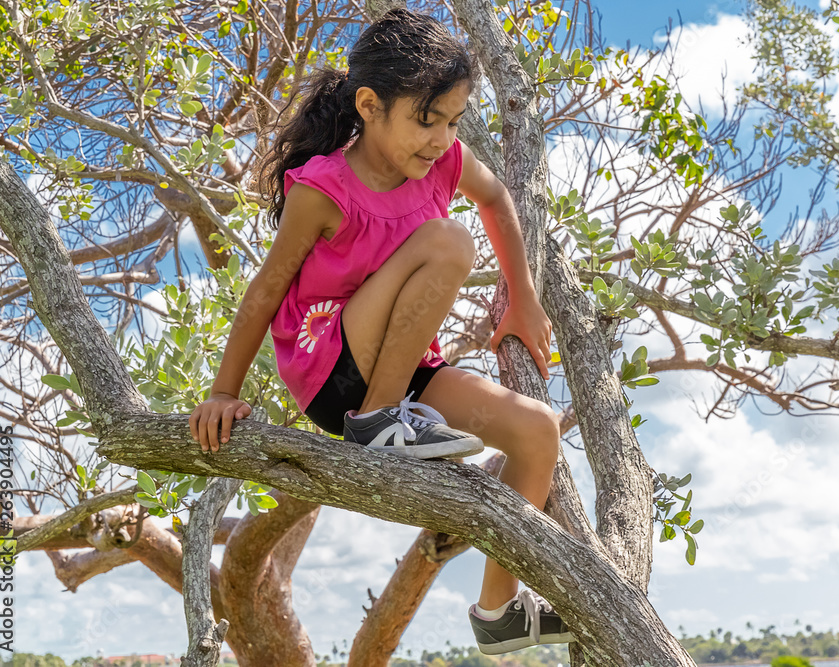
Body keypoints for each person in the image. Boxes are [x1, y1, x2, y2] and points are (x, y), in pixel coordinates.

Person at [187, 7, 575, 656]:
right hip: (334, 374)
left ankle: (498, 614)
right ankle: (378, 423)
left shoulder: (446, 160)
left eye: (452, 120)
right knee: (449, 243)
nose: (441, 138)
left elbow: (499, 199)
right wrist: (224, 390)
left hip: (403, 370)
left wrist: (524, 302)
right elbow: (266, 290)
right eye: (428, 120)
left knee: (536, 429)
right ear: (369, 105)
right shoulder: (326, 187)